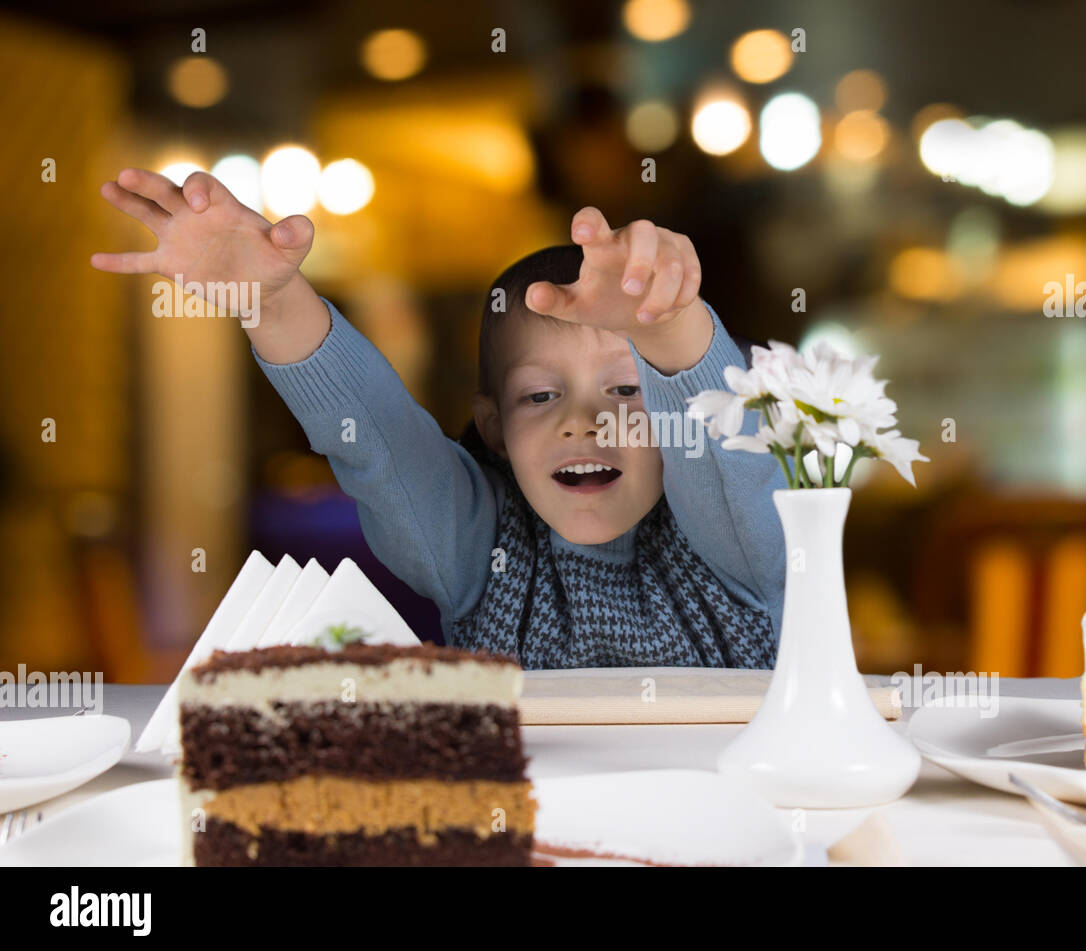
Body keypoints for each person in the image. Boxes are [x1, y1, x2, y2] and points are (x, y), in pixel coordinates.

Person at [92, 168, 785, 668]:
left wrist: (670, 324)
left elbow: (722, 453)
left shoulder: (736, 554)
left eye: (628, 392)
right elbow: (377, 436)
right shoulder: (477, 553)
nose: (585, 422)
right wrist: (271, 303)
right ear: (494, 429)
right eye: (540, 396)